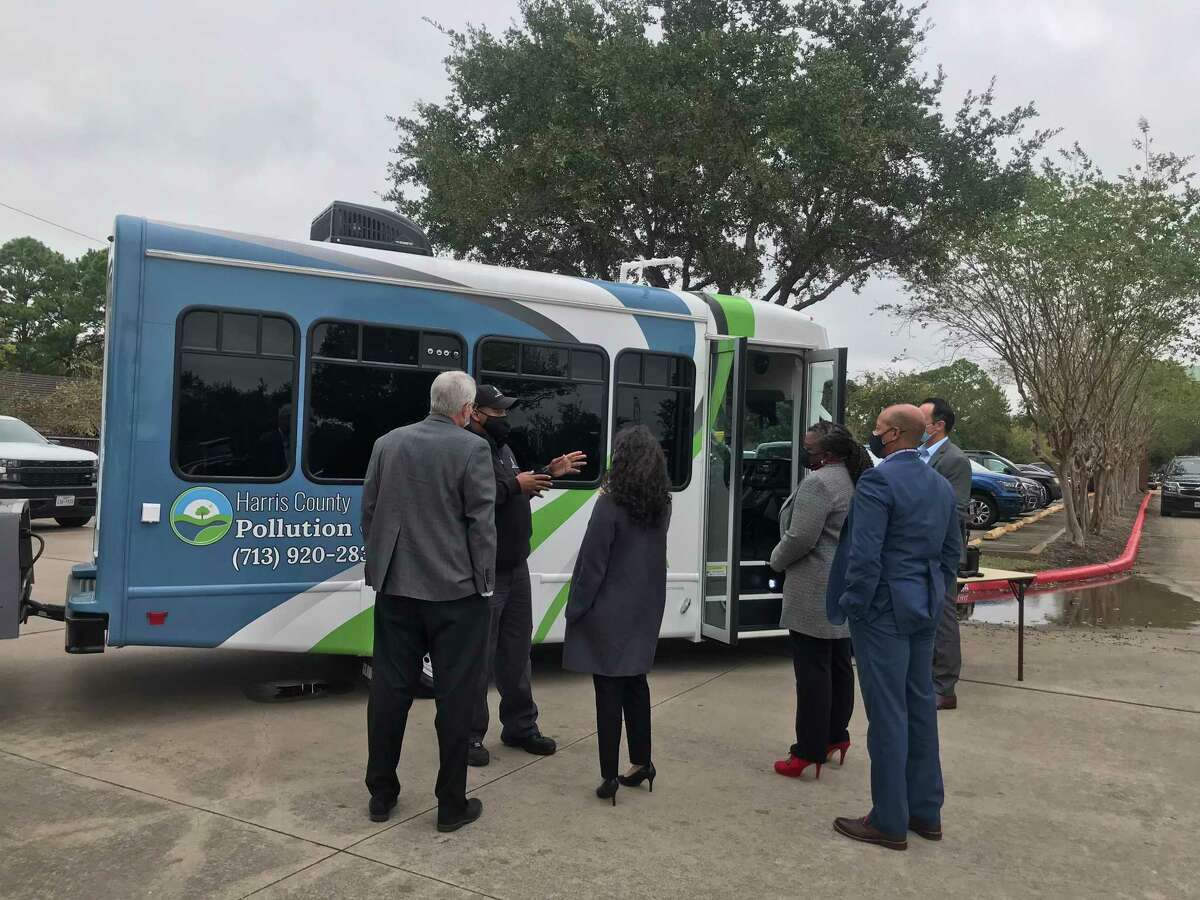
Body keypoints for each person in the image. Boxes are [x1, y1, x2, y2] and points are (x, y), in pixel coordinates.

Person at [360, 370, 496, 833]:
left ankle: (381, 793)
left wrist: (381, 566)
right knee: (455, 698)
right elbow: (481, 523)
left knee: (389, 691)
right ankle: (450, 805)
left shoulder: (388, 443)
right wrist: (485, 582)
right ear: (464, 410)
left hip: (396, 589)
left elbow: (371, 513)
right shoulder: (473, 449)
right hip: (456, 594)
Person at [826, 404, 961, 851]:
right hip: (923, 604)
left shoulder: (878, 481)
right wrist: (934, 592)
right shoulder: (940, 485)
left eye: (879, 428)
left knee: (887, 716)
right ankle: (926, 812)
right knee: (920, 708)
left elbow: (864, 556)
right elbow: (950, 554)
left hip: (883, 611)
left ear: (895, 435)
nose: (874, 433)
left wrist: (854, 605)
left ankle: (888, 820)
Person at [466, 384, 587, 767]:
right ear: (475, 414)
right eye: (498, 412)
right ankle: (469, 736)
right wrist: (514, 486)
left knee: (518, 654)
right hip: (486, 569)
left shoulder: (503, 449)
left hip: (516, 565)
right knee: (478, 658)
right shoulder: (467, 449)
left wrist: (545, 473)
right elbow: (473, 496)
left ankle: (520, 726)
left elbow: (513, 489)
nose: (505, 419)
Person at [563, 425, 671, 806]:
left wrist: (575, 609)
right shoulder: (662, 503)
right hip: (645, 607)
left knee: (607, 691)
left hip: (609, 610)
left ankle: (609, 776)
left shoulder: (608, 504)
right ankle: (641, 762)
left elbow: (592, 566)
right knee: (636, 686)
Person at [769, 422, 873, 779]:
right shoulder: (852, 477)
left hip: (814, 588)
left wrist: (775, 560)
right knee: (839, 666)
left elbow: (800, 538)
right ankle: (834, 737)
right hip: (841, 585)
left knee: (812, 674)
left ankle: (808, 750)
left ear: (826, 454)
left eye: (808, 447)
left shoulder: (819, 482)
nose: (804, 452)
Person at [918, 397, 973, 711]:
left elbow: (956, 510)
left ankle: (944, 686)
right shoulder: (919, 455)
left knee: (943, 618)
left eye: (922, 419)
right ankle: (925, 678)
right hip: (916, 551)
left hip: (939, 551)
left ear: (938, 425)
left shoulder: (954, 459)